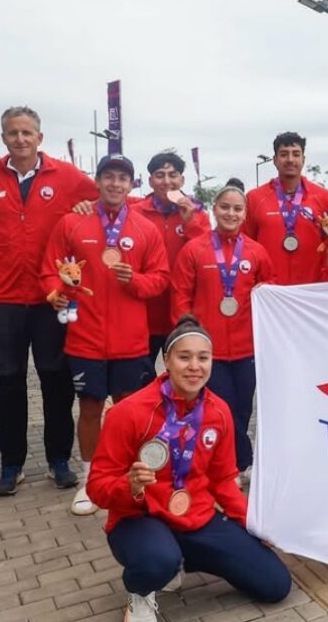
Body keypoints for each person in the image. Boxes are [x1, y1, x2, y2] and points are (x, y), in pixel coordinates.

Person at [87, 316, 291, 622]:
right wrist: (129, 486)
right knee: (157, 560)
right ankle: (141, 590)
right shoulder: (129, 412)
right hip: (139, 518)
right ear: (166, 361)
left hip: (195, 516)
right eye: (184, 357)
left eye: (203, 357)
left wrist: (252, 523)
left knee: (275, 584)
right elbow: (97, 486)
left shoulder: (219, 411)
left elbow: (224, 480)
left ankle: (178, 560)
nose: (194, 366)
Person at [0, 107, 100, 495]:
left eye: (27, 132)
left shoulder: (67, 176)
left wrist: (86, 209)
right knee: (7, 383)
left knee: (55, 380)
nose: (20, 139)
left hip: (53, 299)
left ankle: (58, 460)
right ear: (4, 138)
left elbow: (104, 203)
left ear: (40, 138)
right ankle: (11, 464)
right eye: (13, 133)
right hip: (6, 298)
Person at [43, 154, 170, 515]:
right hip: (85, 336)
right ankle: (89, 479)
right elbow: (50, 269)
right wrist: (57, 292)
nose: (115, 184)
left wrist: (139, 281)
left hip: (131, 340)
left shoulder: (145, 228)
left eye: (122, 179)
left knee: (130, 411)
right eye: (109, 177)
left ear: (131, 185)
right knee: (89, 407)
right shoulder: (72, 222)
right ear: (97, 181)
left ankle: (134, 478)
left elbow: (161, 277)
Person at [171, 186, 275, 473]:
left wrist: (267, 290)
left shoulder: (256, 252)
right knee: (218, 409)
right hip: (208, 351)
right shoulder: (194, 249)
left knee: (243, 409)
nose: (231, 213)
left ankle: (234, 463)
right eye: (225, 207)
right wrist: (188, 338)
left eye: (237, 209)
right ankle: (238, 462)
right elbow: (180, 295)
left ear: (245, 214)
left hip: (246, 348)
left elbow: (270, 289)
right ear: (214, 209)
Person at [131, 150, 212, 364]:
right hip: (144, 314)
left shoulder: (198, 214)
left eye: (173, 175)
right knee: (141, 379)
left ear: (182, 180)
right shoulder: (135, 213)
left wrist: (190, 223)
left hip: (183, 314)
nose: (166, 181)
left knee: (181, 376)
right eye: (160, 175)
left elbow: (206, 256)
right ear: (150, 181)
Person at [243, 132, 328, 285]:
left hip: (311, 291)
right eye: (283, 154)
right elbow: (245, 246)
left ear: (303, 159)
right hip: (269, 292)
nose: (290, 160)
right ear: (274, 160)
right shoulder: (255, 198)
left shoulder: (323, 198)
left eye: (296, 154)